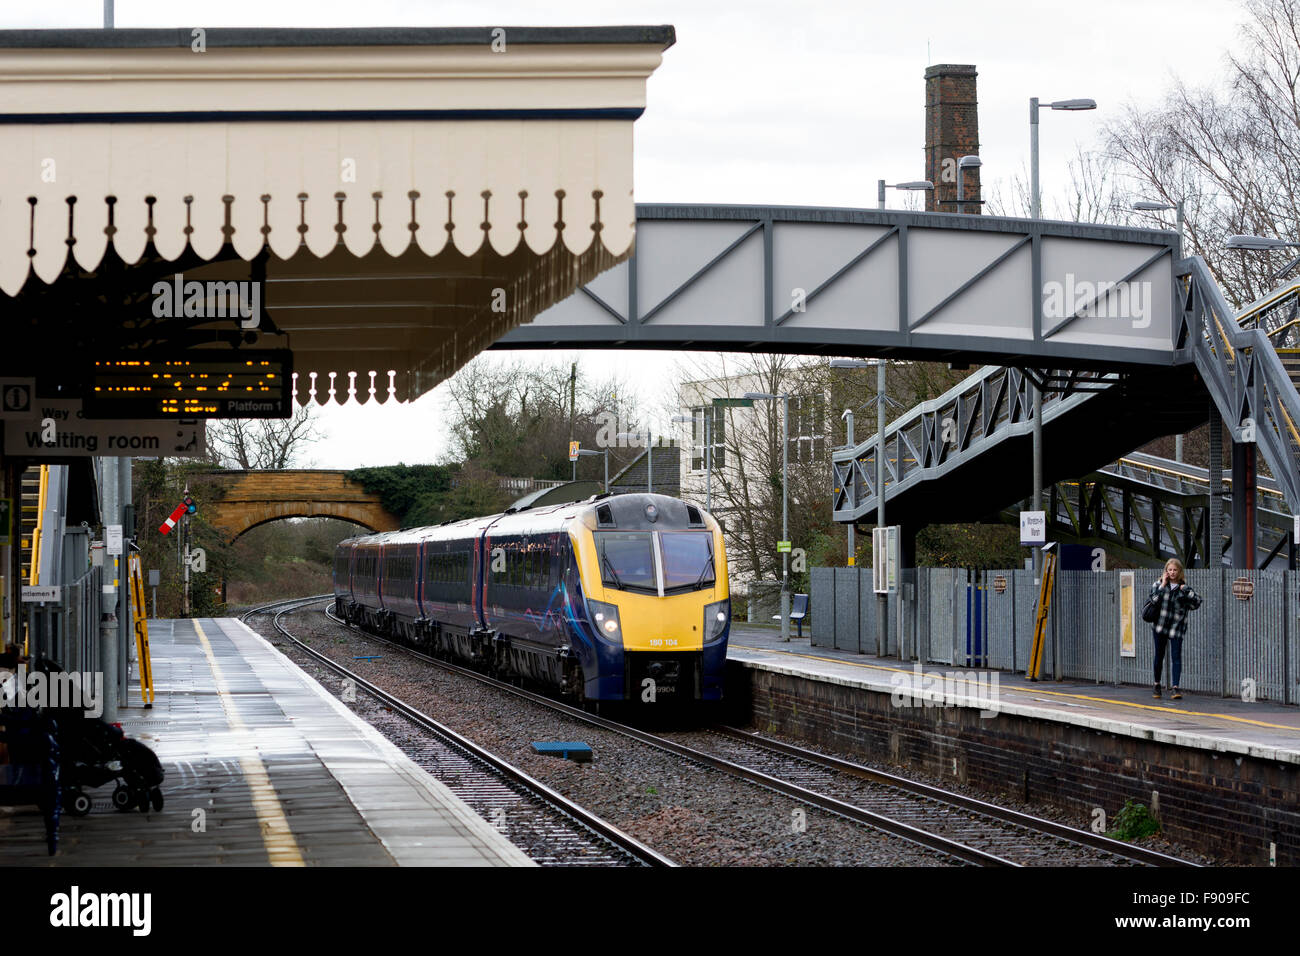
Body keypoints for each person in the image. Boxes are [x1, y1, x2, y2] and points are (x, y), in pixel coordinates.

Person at [1149, 558, 1201, 699]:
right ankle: (1156, 685)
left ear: (1179, 572)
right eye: (1170, 570)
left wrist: (1187, 591)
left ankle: (1175, 688)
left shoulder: (1184, 588)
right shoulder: (1158, 584)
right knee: (1159, 656)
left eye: (1175, 570)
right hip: (1160, 626)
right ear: (1166, 571)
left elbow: (1197, 603)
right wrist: (1163, 584)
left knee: (1176, 657)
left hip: (1177, 627)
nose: (1172, 572)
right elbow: (1153, 600)